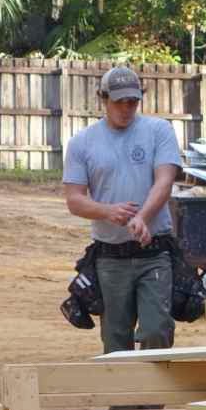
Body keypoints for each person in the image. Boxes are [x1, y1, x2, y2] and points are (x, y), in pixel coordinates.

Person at [62, 66, 183, 354]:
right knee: (115, 338)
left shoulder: (158, 131)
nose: (126, 108)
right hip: (110, 257)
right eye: (119, 101)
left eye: (133, 101)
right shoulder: (82, 143)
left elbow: (165, 181)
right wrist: (107, 211)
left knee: (157, 329)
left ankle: (153, 398)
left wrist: (143, 217)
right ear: (102, 99)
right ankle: (123, 401)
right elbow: (74, 199)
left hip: (154, 252)